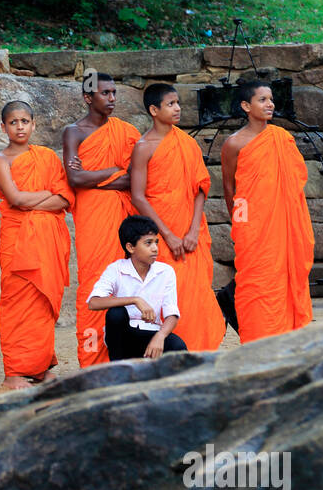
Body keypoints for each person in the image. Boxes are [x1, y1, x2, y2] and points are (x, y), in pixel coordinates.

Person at [129, 83, 226, 351]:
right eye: (171, 104)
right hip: (160, 233)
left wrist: (193, 230)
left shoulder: (187, 142)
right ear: (153, 110)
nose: (178, 108)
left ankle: (199, 351)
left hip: (189, 231)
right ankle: (171, 352)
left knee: (197, 294)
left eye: (178, 103)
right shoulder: (144, 146)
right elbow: (138, 196)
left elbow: (200, 189)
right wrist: (166, 235)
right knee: (167, 294)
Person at [220, 80, 315, 342]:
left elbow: (293, 185)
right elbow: (230, 188)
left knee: (283, 279)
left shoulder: (282, 138)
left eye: (271, 99)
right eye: (262, 100)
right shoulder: (234, 143)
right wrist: (240, 225)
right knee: (255, 281)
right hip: (252, 225)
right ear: (245, 106)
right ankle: (256, 337)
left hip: (283, 225)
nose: (270, 104)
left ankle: (285, 338)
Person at [0, 100, 72, 389]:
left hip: (48, 238)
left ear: (34, 124)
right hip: (19, 239)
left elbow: (65, 198)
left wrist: (34, 199)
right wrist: (46, 195)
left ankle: (40, 367)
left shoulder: (47, 157)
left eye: (25, 121)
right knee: (16, 303)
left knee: (44, 303)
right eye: (13, 123)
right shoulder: (1, 161)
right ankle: (13, 372)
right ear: (4, 128)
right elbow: (15, 199)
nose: (20, 127)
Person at [63, 71, 140, 367]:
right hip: (93, 213)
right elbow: (74, 177)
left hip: (122, 212)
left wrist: (97, 177)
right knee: (95, 280)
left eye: (114, 93)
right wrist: (112, 173)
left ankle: (123, 355)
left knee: (126, 280)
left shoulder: (125, 131)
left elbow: (134, 177)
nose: (111, 99)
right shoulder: (75, 132)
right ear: (87, 97)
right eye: (104, 93)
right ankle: (93, 358)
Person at [86, 216, 188, 360]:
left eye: (156, 242)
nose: (155, 248)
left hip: (151, 333)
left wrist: (160, 336)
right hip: (122, 337)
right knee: (116, 313)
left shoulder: (166, 271)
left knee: (178, 346)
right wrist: (135, 300)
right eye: (148, 243)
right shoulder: (116, 269)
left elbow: (171, 313)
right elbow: (93, 303)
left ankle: (171, 382)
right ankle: (118, 371)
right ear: (130, 247)